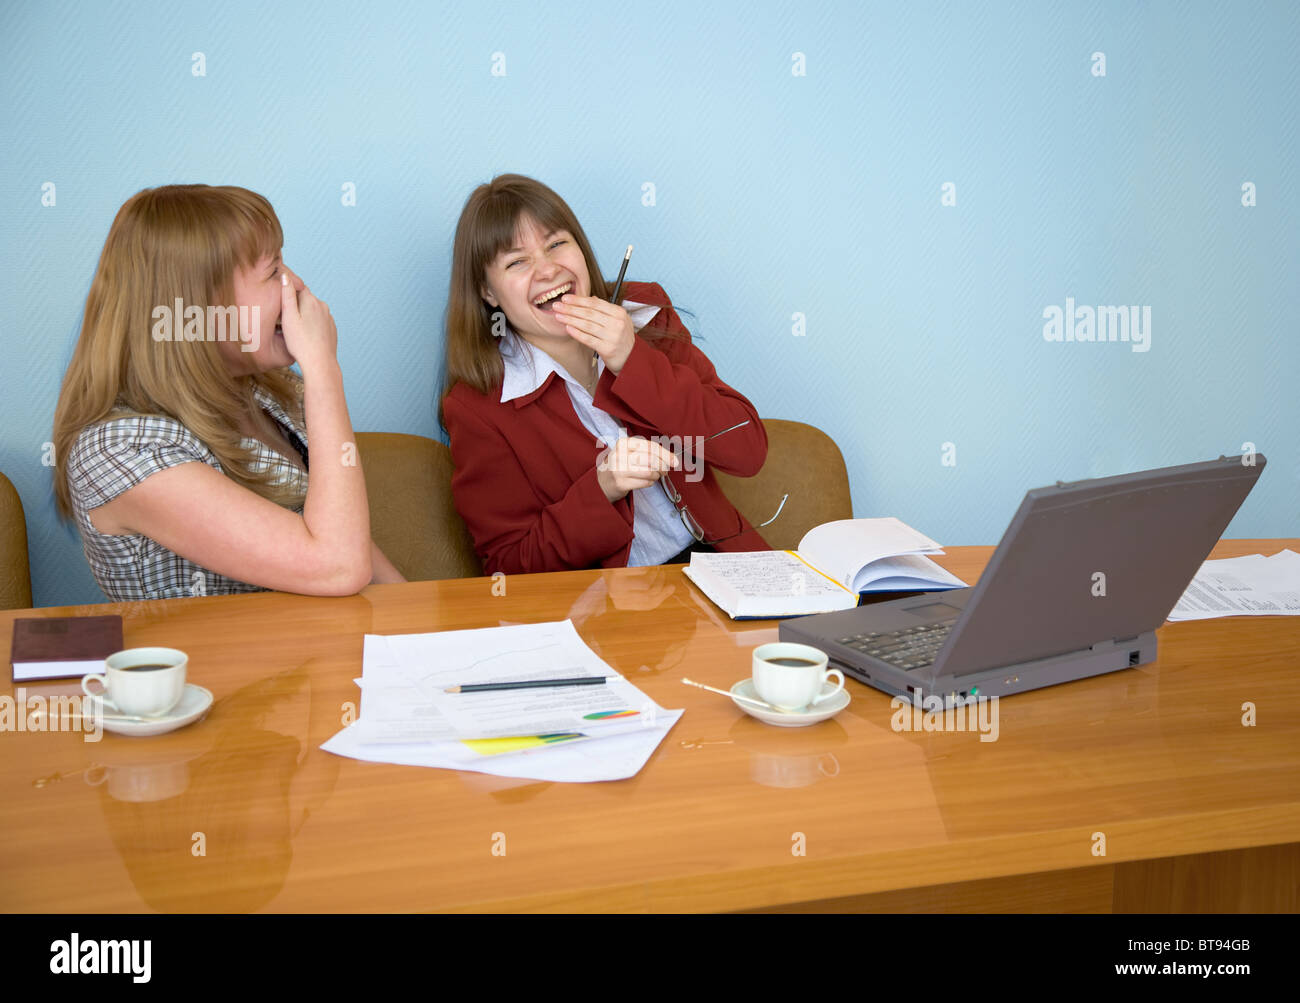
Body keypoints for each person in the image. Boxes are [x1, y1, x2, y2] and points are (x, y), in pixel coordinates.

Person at [51, 184, 405, 600]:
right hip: (213, 666)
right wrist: (325, 371)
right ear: (201, 307)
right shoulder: (120, 450)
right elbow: (337, 566)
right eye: (273, 272)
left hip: (313, 657)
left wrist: (427, 629)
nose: (296, 284)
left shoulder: (271, 393)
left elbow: (349, 537)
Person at [439, 174, 771, 575]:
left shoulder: (645, 313)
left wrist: (634, 360)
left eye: (556, 244)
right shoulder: (477, 405)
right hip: (614, 611)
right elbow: (509, 569)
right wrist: (603, 487)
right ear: (488, 293)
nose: (547, 270)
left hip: (728, 571)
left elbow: (746, 448)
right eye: (517, 262)